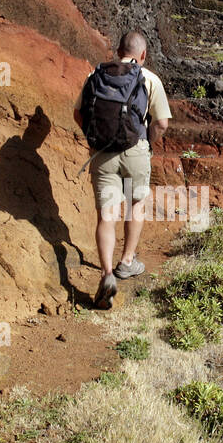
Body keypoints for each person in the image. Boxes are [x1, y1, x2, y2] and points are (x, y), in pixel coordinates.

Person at [74, 30, 171, 309]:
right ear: (143, 55)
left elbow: (78, 113)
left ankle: (106, 274)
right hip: (136, 152)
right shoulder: (149, 78)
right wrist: (146, 142)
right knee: (135, 204)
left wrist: (96, 140)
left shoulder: (96, 75)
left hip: (103, 153)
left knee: (106, 214)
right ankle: (127, 261)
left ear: (118, 51)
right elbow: (162, 123)